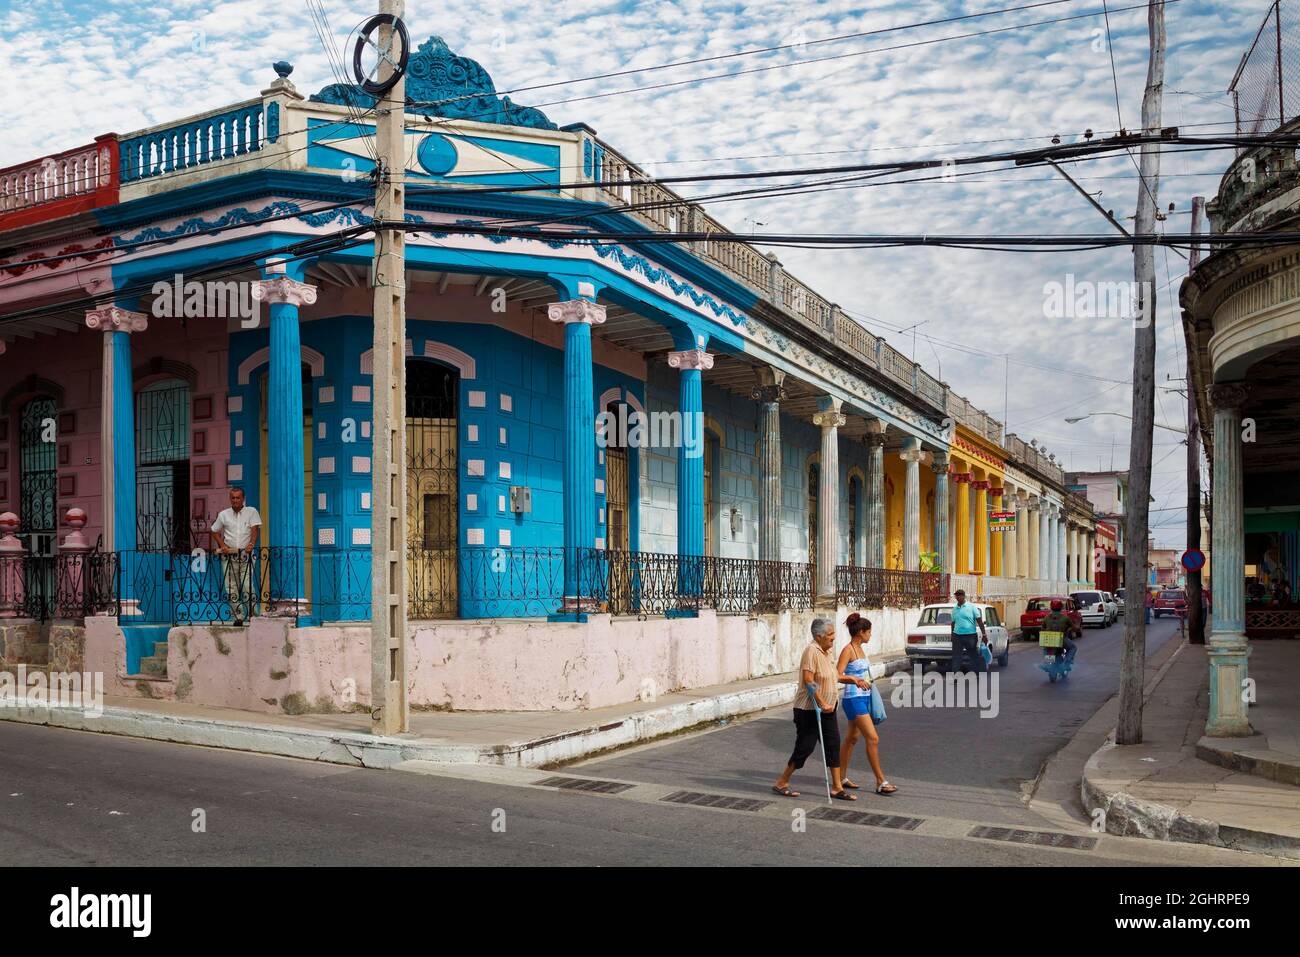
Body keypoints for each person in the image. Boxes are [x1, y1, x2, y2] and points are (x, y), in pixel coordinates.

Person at [773, 618, 858, 800]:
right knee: (805, 747)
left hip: (828, 709)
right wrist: (821, 703)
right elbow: (809, 680)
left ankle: (836, 787)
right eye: (830, 636)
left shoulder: (827, 652)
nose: (833, 639)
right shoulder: (811, 651)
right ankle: (782, 782)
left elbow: (834, 676)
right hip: (809, 710)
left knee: (833, 745)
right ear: (819, 636)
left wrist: (854, 680)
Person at [837, 613, 897, 795]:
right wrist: (854, 680)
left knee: (852, 738)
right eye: (869, 632)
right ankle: (880, 781)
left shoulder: (860, 649)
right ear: (861, 632)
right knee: (873, 738)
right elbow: (837, 675)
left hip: (864, 697)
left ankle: (841, 777)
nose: (870, 635)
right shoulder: (848, 650)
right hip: (853, 700)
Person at [210, 486, 262, 625]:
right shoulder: (224, 514)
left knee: (247, 586)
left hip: (246, 555)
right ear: (230, 499)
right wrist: (222, 545)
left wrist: (251, 544)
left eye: (238, 498)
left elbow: (254, 529)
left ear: (243, 499)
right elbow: (214, 530)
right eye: (232, 498)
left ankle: (253, 614)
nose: (235, 500)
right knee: (230, 587)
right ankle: (238, 616)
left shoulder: (251, 512)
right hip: (229, 555)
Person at [949, 588, 987, 673]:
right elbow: (953, 623)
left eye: (959, 595)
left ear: (964, 596)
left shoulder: (972, 607)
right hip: (957, 636)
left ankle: (976, 673)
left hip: (970, 636)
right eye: (956, 595)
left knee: (973, 655)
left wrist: (984, 635)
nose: (958, 597)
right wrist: (952, 634)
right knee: (956, 657)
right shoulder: (955, 609)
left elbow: (979, 621)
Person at [1040, 599, 1079, 665]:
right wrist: (1077, 628)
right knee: (1073, 647)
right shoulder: (1065, 618)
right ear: (1061, 607)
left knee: (1046, 648)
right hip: (1061, 639)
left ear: (1051, 607)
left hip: (1049, 640)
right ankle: (1067, 661)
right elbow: (1074, 628)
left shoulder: (1046, 617)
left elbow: (1042, 628)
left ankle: (1048, 663)